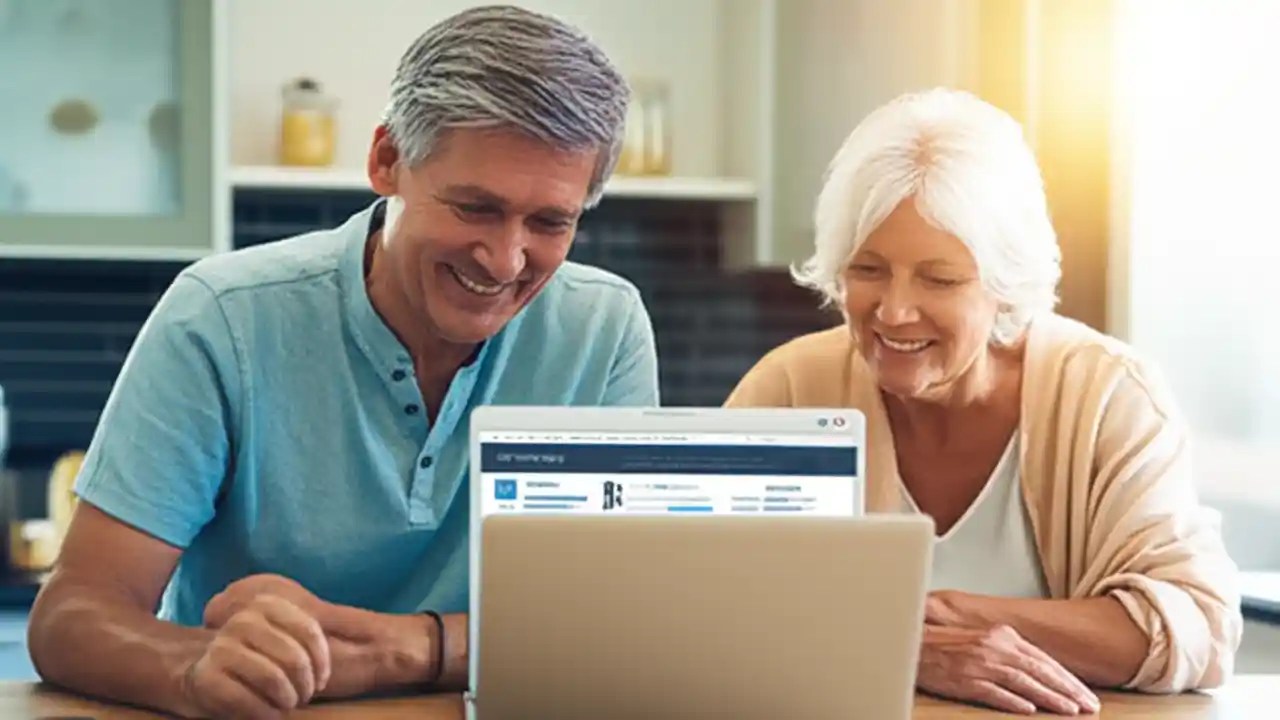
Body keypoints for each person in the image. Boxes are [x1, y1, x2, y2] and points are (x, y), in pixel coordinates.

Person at [27, 6, 656, 718]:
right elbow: (72, 615)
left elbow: (614, 622)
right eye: (474, 208)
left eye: (549, 223)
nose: (506, 260)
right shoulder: (221, 318)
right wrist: (191, 668)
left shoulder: (604, 330)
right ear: (386, 160)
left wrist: (405, 650)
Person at [725, 88, 1240, 715]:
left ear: (1004, 283)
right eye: (868, 270)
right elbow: (711, 608)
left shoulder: (1108, 395)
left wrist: (954, 619)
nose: (894, 311)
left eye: (938, 279)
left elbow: (1199, 626)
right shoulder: (788, 389)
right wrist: (905, 646)